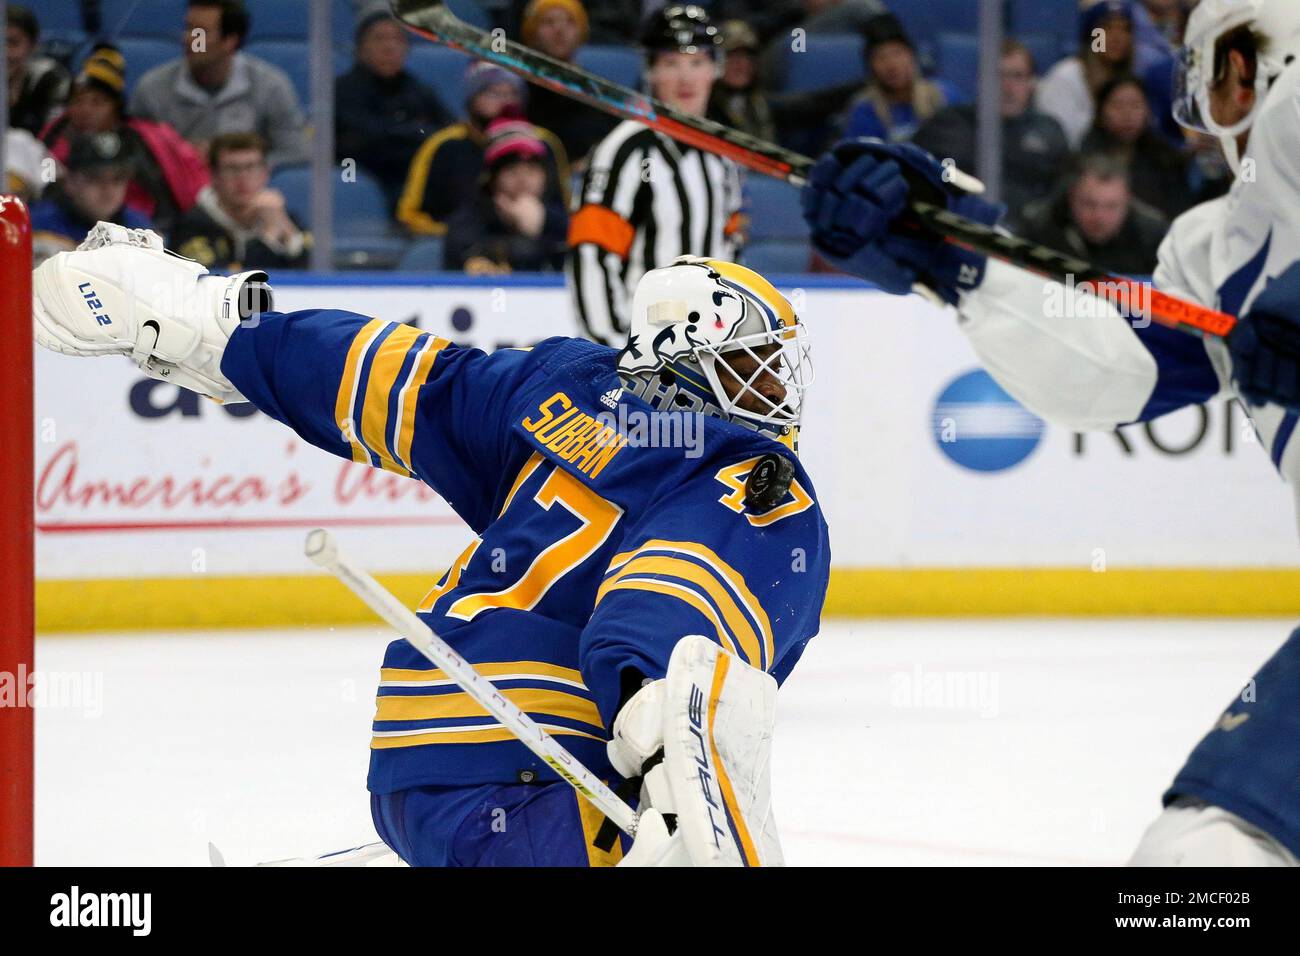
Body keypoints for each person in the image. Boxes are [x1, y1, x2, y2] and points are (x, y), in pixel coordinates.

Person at [34, 232, 828, 867]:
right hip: (537, 765)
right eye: (756, 370)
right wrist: (672, 773)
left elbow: (402, 380)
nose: (776, 394)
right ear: (686, 359)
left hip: (415, 755)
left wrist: (215, 326)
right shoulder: (749, 477)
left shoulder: (565, 387)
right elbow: (668, 612)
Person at [801, 0, 1300, 866]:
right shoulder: (1218, 250)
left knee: (1203, 863)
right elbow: (1113, 374)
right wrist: (958, 263)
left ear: (1244, 72)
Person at [568, 5, 744, 345]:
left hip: (706, 351)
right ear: (651, 71)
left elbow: (729, 254)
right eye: (671, 63)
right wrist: (614, 351)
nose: (685, 78)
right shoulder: (624, 152)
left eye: (697, 62)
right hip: (637, 352)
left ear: (715, 69)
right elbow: (592, 256)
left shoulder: (722, 159)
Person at [40, 46, 210, 237]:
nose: (85, 110)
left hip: (149, 230)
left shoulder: (153, 140)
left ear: (116, 107)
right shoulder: (51, 138)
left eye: (97, 102)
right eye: (78, 101)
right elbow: (42, 190)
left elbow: (192, 191)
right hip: (64, 230)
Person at [129, 0, 309, 169]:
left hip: (248, 197)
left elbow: (295, 153)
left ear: (230, 41)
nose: (190, 40)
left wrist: (235, 164)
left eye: (200, 33)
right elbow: (133, 156)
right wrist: (180, 159)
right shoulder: (152, 89)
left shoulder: (271, 87)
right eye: (188, 28)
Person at [396, 62, 569, 236]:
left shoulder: (543, 142)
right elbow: (411, 214)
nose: (505, 101)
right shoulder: (444, 145)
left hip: (540, 243)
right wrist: (460, 234)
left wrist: (542, 223)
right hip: (459, 244)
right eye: (493, 92)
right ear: (472, 98)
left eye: (512, 93)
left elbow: (564, 206)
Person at [912, 40, 1070, 229]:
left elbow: (1066, 197)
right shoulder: (946, 125)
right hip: (960, 234)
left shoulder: (1049, 131)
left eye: (1017, 76)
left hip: (1029, 240)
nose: (1007, 86)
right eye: (997, 76)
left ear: (1032, 83)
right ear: (980, 81)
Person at [335, 3, 452, 213]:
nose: (389, 47)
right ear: (360, 48)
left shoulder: (420, 90)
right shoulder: (343, 90)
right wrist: (414, 133)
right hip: (361, 179)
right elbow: (361, 142)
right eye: (379, 38)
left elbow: (445, 136)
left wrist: (396, 135)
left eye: (397, 39)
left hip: (415, 179)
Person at [169, 132, 310, 273]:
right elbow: (221, 283)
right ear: (214, 176)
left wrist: (290, 236)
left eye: (251, 167)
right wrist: (269, 237)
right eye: (232, 169)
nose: (242, 177)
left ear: (265, 174)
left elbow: (318, 279)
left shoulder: (284, 218)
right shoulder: (191, 227)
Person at [444, 119, 569, 274]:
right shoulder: (468, 219)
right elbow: (464, 260)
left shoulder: (562, 220)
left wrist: (542, 223)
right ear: (491, 179)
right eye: (511, 171)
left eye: (531, 170)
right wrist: (521, 241)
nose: (523, 180)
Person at [1018, 153, 1169, 275]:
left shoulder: (1153, 236)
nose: (1099, 217)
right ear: (1072, 198)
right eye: (1089, 204)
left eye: (1112, 206)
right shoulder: (1040, 228)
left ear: (1127, 200)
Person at [1037, 0, 1161, 149]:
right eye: (1106, 29)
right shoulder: (1066, 76)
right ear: (1091, 36)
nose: (1116, 37)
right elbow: (1057, 140)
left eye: (1125, 29)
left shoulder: (1132, 80)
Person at [516, 0, 617, 169]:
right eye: (548, 22)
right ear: (532, 33)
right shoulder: (518, 90)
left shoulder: (600, 90)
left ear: (582, 31)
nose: (559, 30)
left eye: (569, 21)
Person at [1081, 74, 1193, 220]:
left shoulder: (1164, 158)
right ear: (1101, 112)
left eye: (1135, 105)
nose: (1127, 115)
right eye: (1118, 105)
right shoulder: (1084, 159)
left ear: (1147, 111)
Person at [30, 132, 151, 263]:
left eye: (118, 179)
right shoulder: (38, 226)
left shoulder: (139, 229)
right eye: (95, 179)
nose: (108, 189)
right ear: (70, 181)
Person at [841, 12, 947, 144]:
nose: (892, 65)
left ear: (912, 56)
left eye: (897, 53)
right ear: (871, 66)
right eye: (881, 57)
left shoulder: (941, 95)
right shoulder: (864, 109)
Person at [708, 20, 777, 145]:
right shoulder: (704, 107)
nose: (742, 65)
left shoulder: (760, 104)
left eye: (748, 56)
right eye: (732, 56)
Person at [6, 4, 71, 136]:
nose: (4, 52)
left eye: (13, 43)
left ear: (33, 45)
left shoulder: (51, 79)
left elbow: (56, 136)